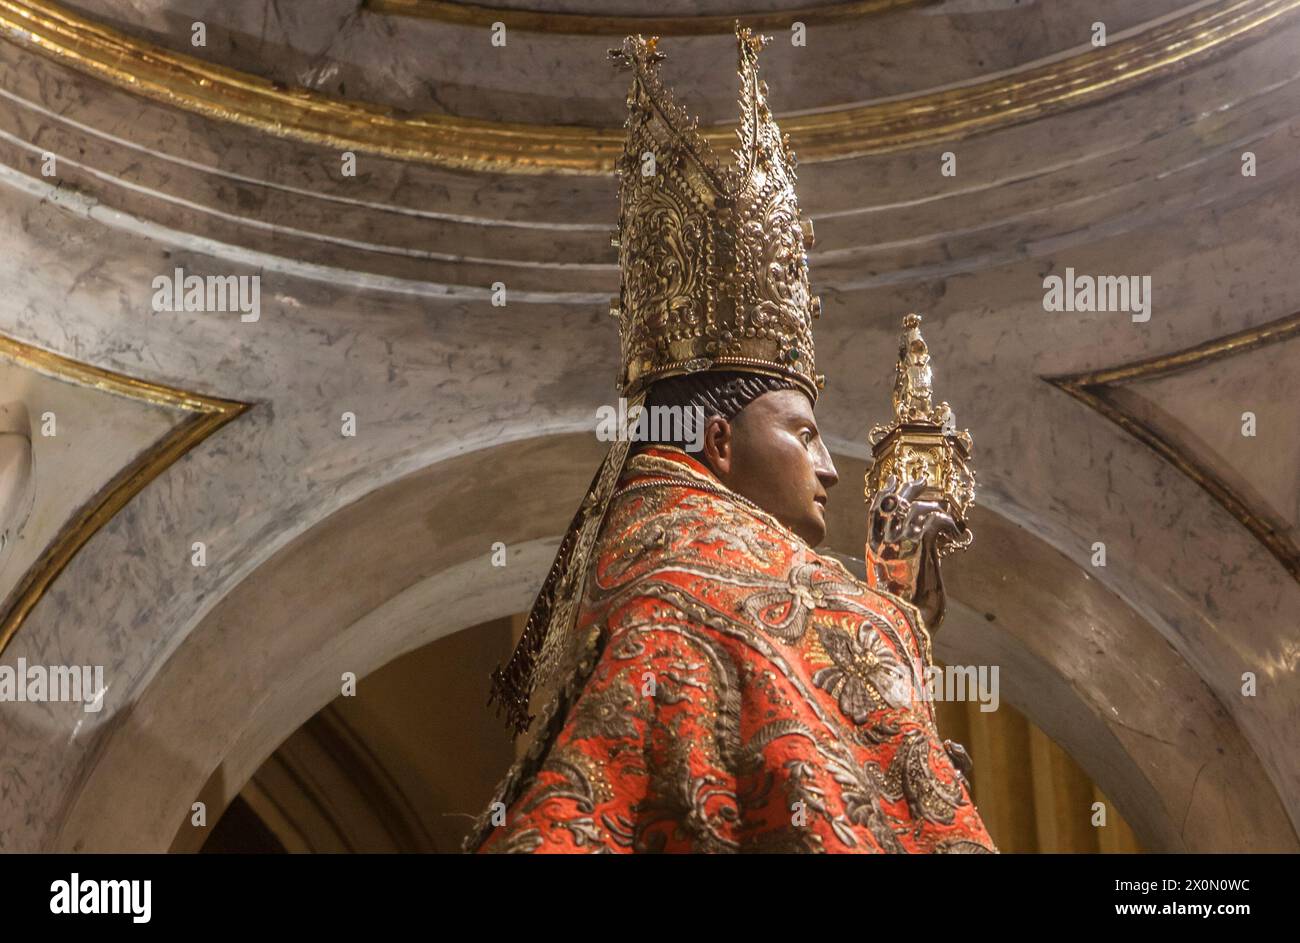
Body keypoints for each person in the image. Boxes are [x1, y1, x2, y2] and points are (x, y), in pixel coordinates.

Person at [464, 25, 995, 854]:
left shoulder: (643, 581)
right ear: (716, 441)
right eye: (804, 431)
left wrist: (898, 606)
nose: (827, 465)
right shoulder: (696, 595)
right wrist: (891, 623)